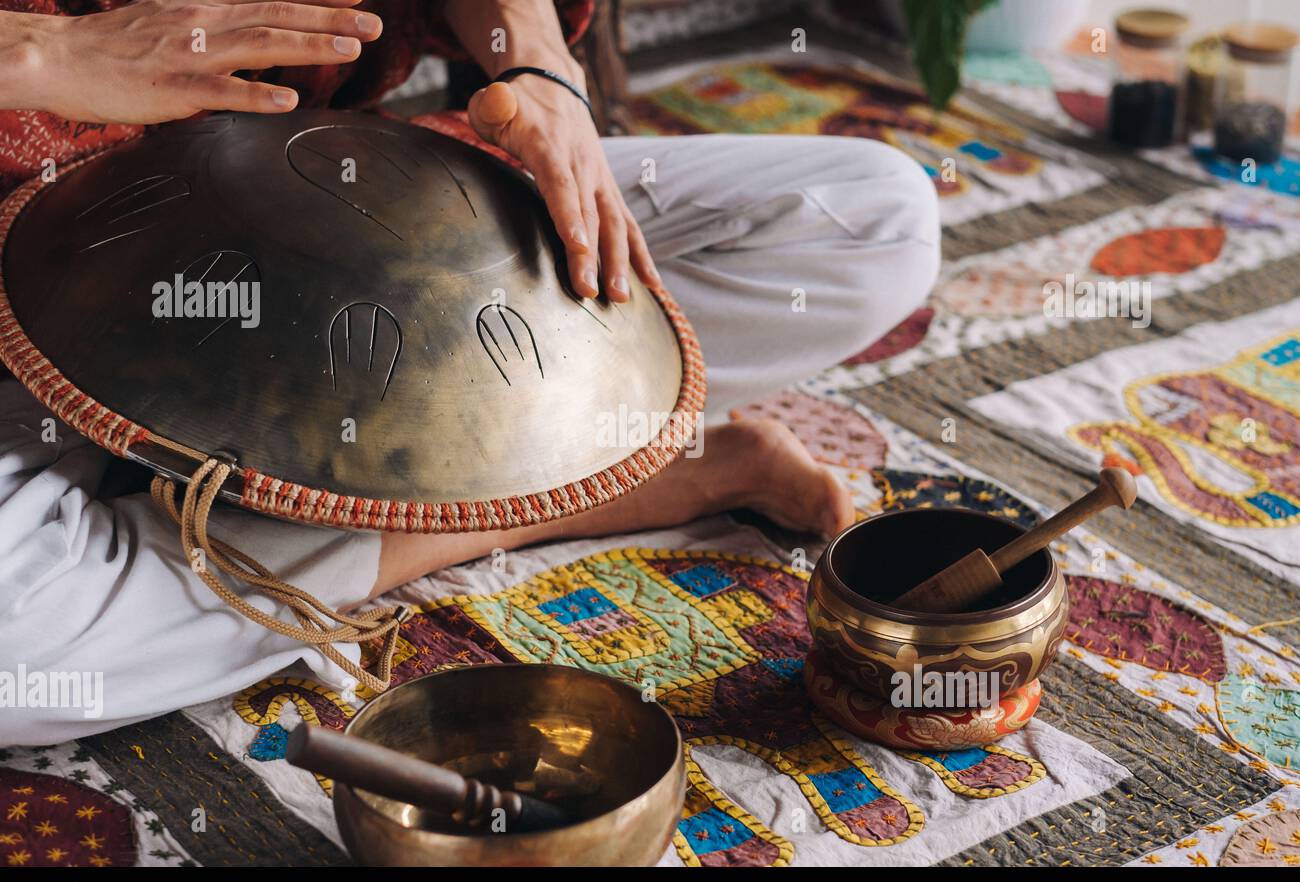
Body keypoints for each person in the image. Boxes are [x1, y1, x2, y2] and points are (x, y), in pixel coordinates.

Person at [0, 0, 939, 744]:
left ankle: (272, 496)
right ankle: (599, 484)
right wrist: (37, 52)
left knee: (876, 217)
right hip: (31, 286)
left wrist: (536, 62)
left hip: (360, 221)